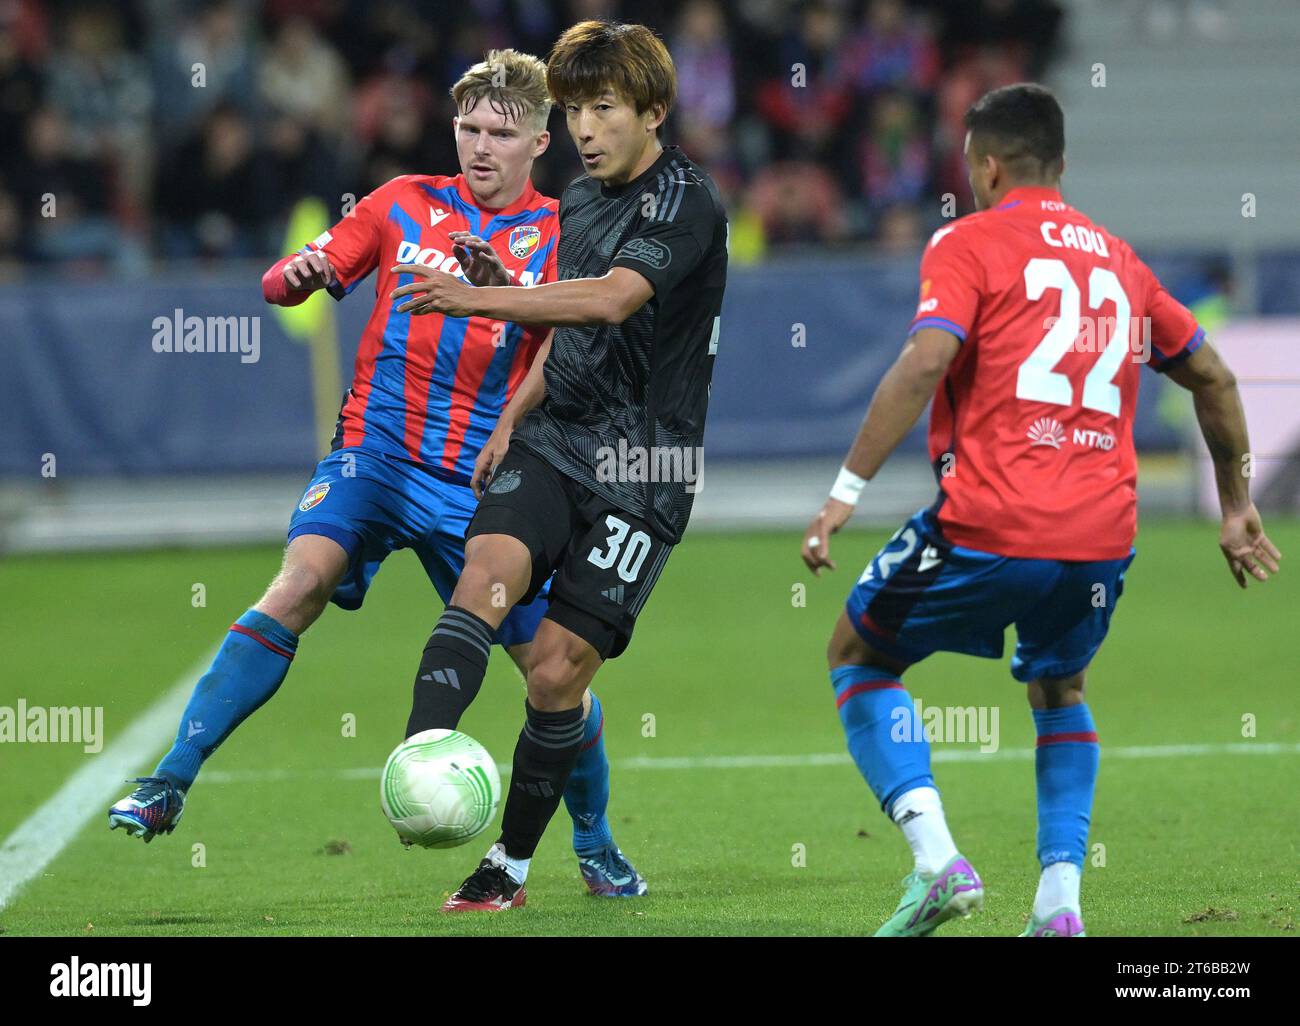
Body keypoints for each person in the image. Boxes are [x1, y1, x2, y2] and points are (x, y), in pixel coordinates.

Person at [109, 49, 647, 899]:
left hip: (484, 478)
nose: (479, 146)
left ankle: (595, 841)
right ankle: (167, 781)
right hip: (375, 455)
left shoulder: (566, 230)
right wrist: (305, 271)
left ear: (539, 140)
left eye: (500, 133)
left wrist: (506, 290)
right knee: (297, 585)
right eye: (467, 127)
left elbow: (579, 348)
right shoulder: (403, 204)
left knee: (552, 669)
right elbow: (281, 284)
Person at [800, 83, 1280, 937]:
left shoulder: (969, 241)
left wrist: (843, 495)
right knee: (1061, 689)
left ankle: (936, 860)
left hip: (992, 522)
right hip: (1101, 538)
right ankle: (1061, 907)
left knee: (858, 655)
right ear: (1061, 165)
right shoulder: (1120, 259)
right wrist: (1236, 503)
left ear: (986, 166)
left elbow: (923, 362)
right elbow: (1214, 376)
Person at [390, 20, 729, 912]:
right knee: (485, 574)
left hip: (645, 470)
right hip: (555, 438)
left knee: (553, 673)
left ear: (653, 111)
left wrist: (475, 295)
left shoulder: (686, 202)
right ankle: (421, 759)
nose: (583, 127)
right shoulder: (579, 199)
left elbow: (614, 300)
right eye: (574, 108)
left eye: (603, 108)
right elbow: (564, 326)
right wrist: (515, 412)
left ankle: (509, 863)